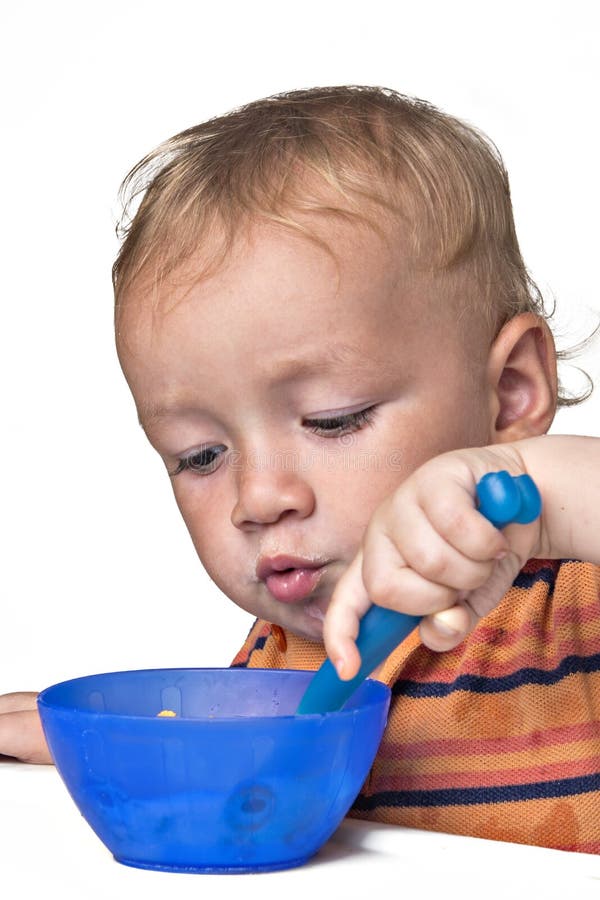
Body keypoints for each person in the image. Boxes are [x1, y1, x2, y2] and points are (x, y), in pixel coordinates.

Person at [1, 86, 598, 852]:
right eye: (200, 456)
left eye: (332, 418)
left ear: (511, 391)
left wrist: (544, 497)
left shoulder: (573, 601)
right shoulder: (280, 657)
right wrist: (113, 744)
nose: (258, 498)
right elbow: (252, 788)